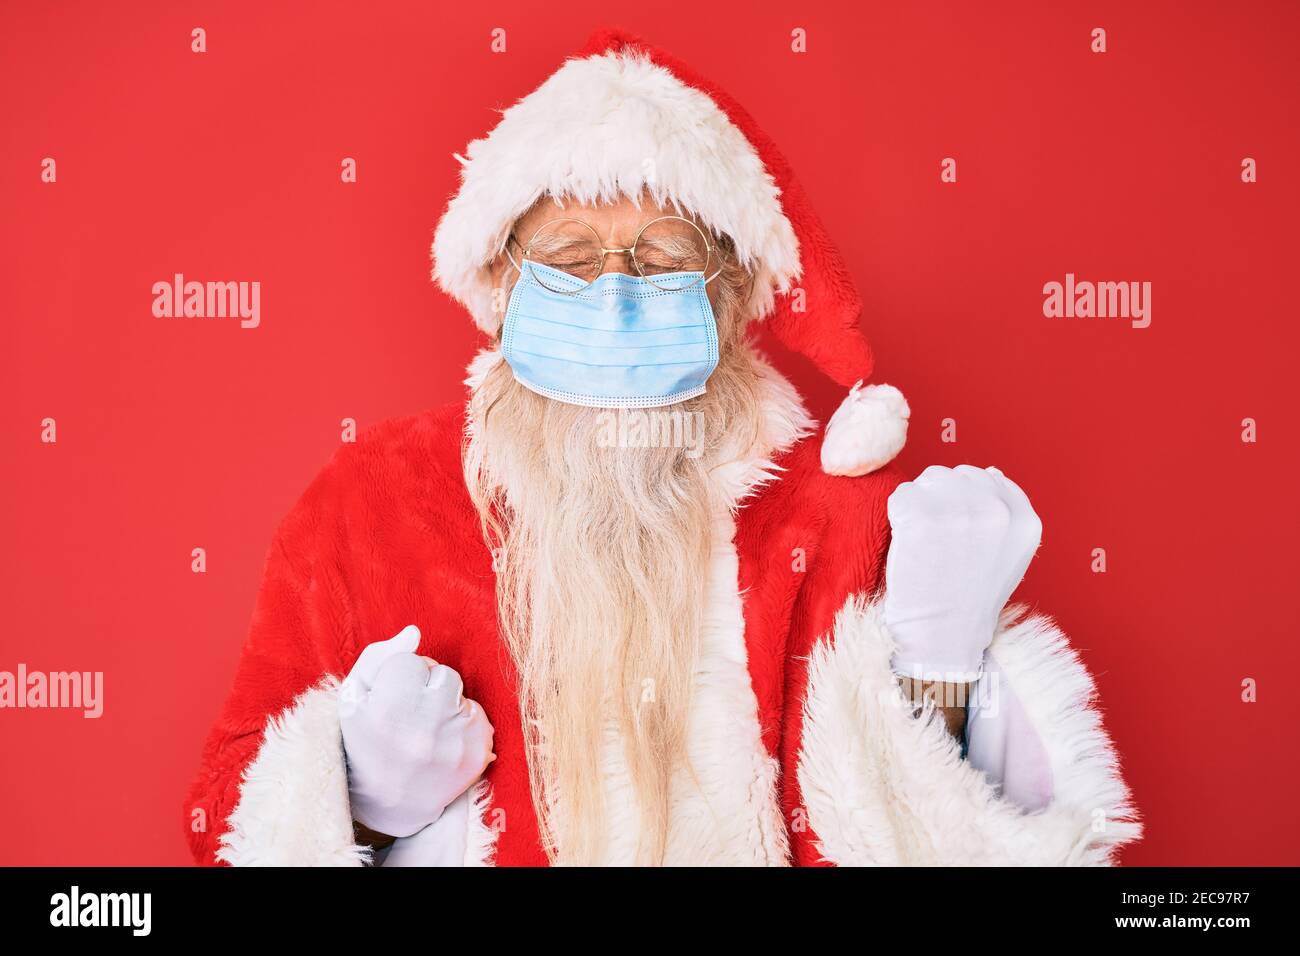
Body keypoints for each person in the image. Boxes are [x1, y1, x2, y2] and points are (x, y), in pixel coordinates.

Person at [185, 28, 1139, 867]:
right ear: (499, 285)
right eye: (566, 259)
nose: (615, 292)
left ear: (729, 296)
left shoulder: (840, 518)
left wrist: (947, 668)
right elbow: (217, 818)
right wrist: (353, 797)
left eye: (664, 257)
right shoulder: (373, 503)